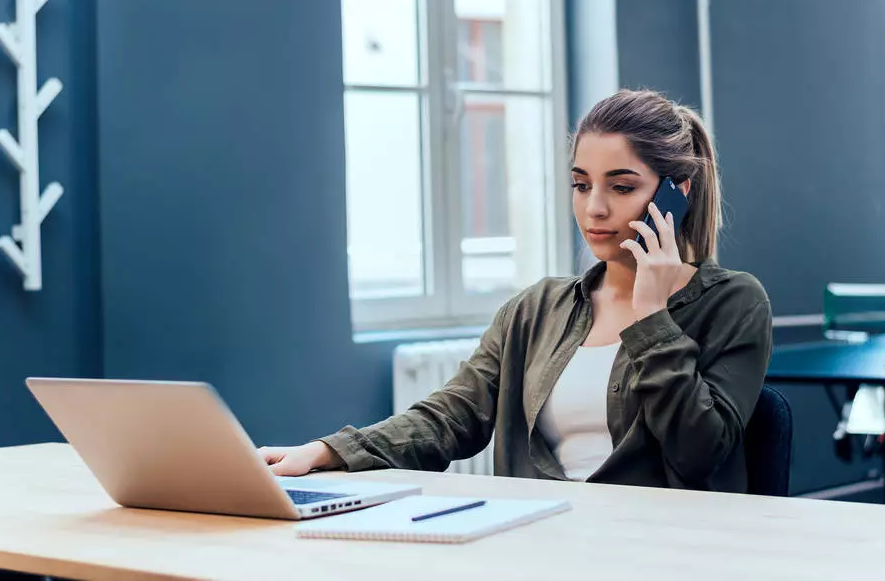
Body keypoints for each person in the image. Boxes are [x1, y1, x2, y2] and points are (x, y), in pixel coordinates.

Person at [260, 89, 772, 492]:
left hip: (657, 555)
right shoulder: (535, 310)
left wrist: (652, 316)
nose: (594, 208)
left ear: (674, 195)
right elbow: (449, 416)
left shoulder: (733, 303)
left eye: (620, 187)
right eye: (580, 184)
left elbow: (700, 453)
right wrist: (326, 452)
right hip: (538, 545)